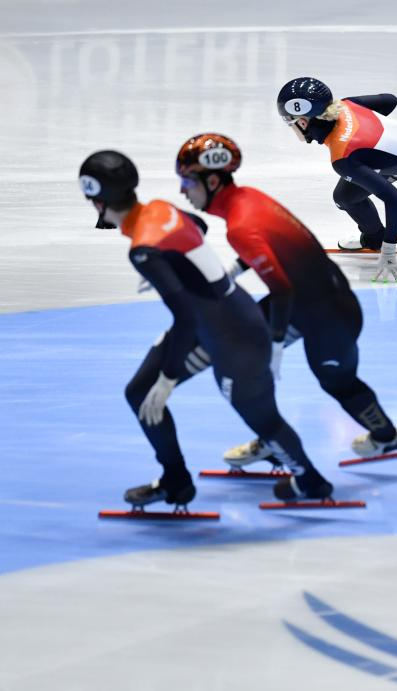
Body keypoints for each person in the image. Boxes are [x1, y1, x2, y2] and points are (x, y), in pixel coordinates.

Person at [78, 150, 334, 505]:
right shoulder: (159, 209)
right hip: (221, 321)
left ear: (97, 201)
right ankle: (176, 481)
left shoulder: (142, 250)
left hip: (236, 339)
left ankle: (311, 481)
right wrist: (178, 270)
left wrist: (168, 379)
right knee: (139, 393)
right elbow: (197, 227)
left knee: (262, 417)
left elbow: (183, 317)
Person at [174, 133, 397, 466]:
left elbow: (281, 289)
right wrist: (234, 271)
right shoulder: (248, 198)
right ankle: (273, 438)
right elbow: (271, 246)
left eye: (186, 181)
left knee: (337, 383)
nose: (182, 191)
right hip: (321, 298)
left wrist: (273, 347)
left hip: (326, 315)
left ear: (212, 180)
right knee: (242, 354)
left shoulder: (239, 227)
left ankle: (387, 438)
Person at [275, 77, 397, 283]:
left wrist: (389, 253)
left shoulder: (342, 157)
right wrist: (374, 130)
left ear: (303, 122)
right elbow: (390, 100)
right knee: (345, 196)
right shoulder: (345, 105)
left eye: (291, 123)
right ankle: (374, 237)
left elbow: (393, 199)